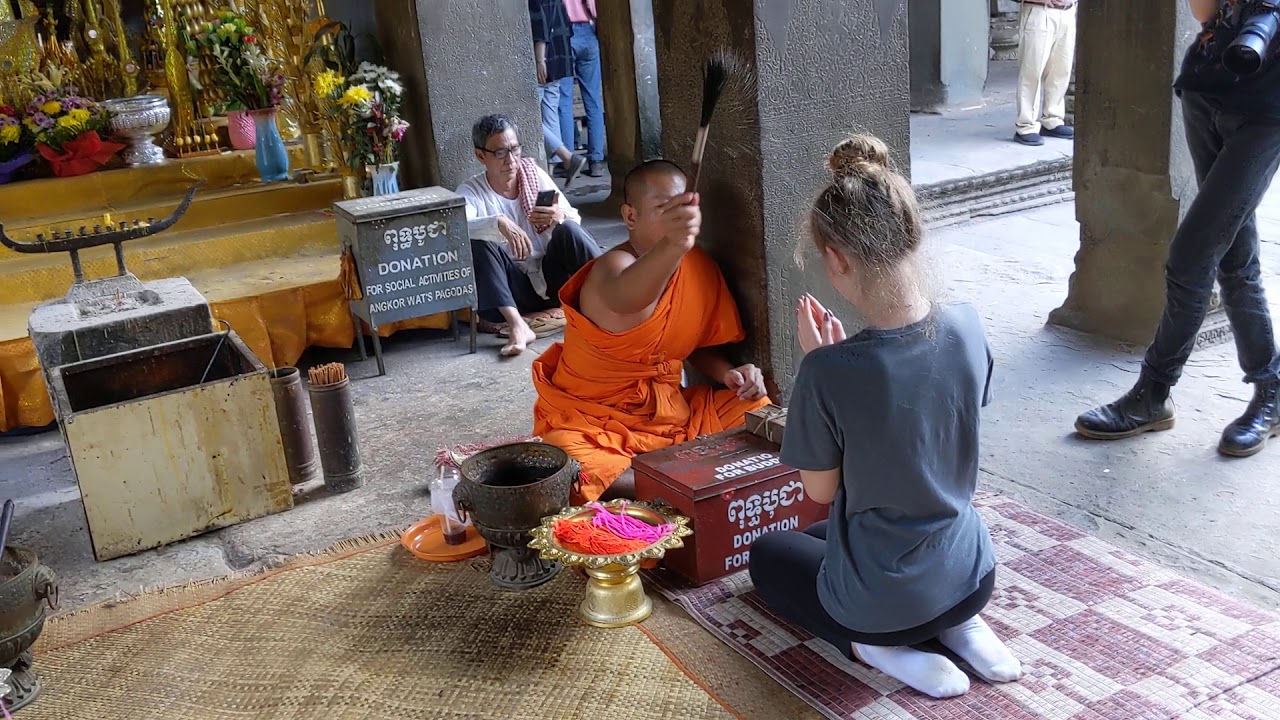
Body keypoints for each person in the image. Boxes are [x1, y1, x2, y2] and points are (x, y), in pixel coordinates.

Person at [748, 135, 1022, 699]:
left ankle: (876, 648)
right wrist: (842, 370)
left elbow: (821, 491)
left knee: (771, 554)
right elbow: (929, 427)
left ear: (836, 259)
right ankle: (960, 625)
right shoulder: (968, 323)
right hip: (973, 575)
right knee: (827, 535)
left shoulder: (828, 372)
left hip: (881, 609)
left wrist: (820, 370)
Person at [1075, 0, 1280, 457]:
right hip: (1207, 89)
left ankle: (1154, 391)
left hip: (1267, 111)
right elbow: (1201, 11)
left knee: (1192, 254)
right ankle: (1272, 388)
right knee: (1232, 253)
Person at [531, 160, 771, 502]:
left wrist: (730, 374)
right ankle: (685, 485)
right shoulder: (612, 267)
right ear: (630, 216)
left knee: (756, 409)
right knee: (570, 461)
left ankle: (671, 484)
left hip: (670, 413)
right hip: (592, 420)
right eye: (663, 208)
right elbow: (626, 298)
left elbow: (689, 340)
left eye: (682, 206)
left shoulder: (696, 265)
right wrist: (674, 245)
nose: (677, 217)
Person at [457, 114, 602, 357]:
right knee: (478, 243)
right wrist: (498, 223)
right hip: (511, 291)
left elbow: (573, 217)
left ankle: (614, 288)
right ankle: (518, 326)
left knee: (569, 229)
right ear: (481, 156)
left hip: (551, 277)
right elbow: (457, 230)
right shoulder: (471, 191)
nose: (511, 160)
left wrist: (557, 216)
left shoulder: (533, 175)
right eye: (501, 153)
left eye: (515, 149)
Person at [529, 0, 588, 184]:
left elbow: (540, 29)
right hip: (558, 60)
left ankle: (567, 157)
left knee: (528, 118)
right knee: (550, 115)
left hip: (543, 61)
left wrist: (540, 60)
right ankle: (552, 171)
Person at [1013, 0, 1077, 146]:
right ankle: (1026, 125)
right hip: (1039, 10)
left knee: (1061, 69)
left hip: (1068, 10)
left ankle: (1052, 119)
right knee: (1032, 70)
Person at [556, 0, 607, 178]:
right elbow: (593, 6)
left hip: (562, 32)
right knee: (593, 101)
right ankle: (596, 161)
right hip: (587, 31)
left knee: (564, 102)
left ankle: (570, 161)